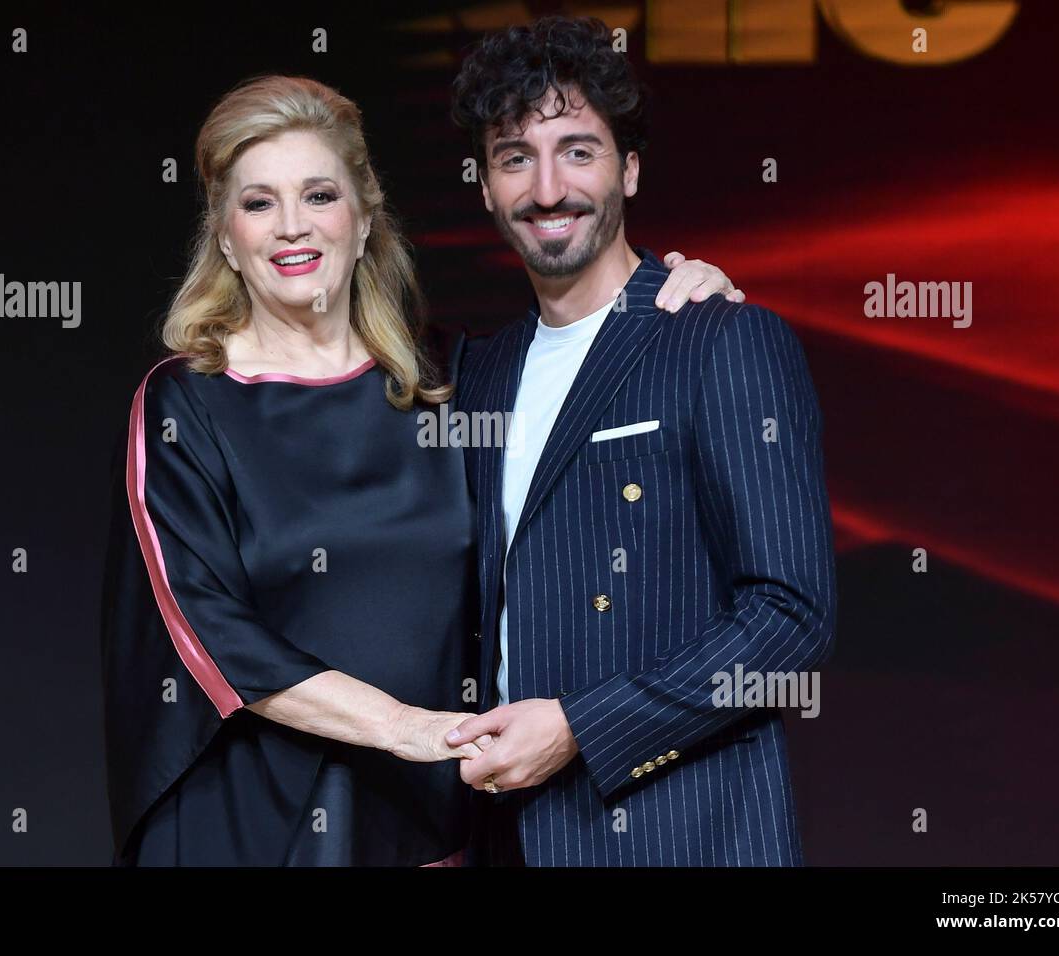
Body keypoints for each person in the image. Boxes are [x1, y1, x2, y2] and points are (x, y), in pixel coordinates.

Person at [98, 73, 743, 866]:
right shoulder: (185, 404)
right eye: (259, 203)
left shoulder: (448, 378)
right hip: (253, 822)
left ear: (364, 219)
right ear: (226, 236)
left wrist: (673, 293)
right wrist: (406, 726)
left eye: (320, 196)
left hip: (427, 818)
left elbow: (582, 402)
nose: (292, 227)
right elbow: (209, 631)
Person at [447, 15, 838, 866]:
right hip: (503, 842)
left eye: (578, 151)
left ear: (628, 168)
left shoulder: (719, 337)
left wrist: (582, 727)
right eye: (516, 157)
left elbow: (791, 620)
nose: (548, 189)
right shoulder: (473, 374)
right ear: (484, 185)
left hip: (682, 835)